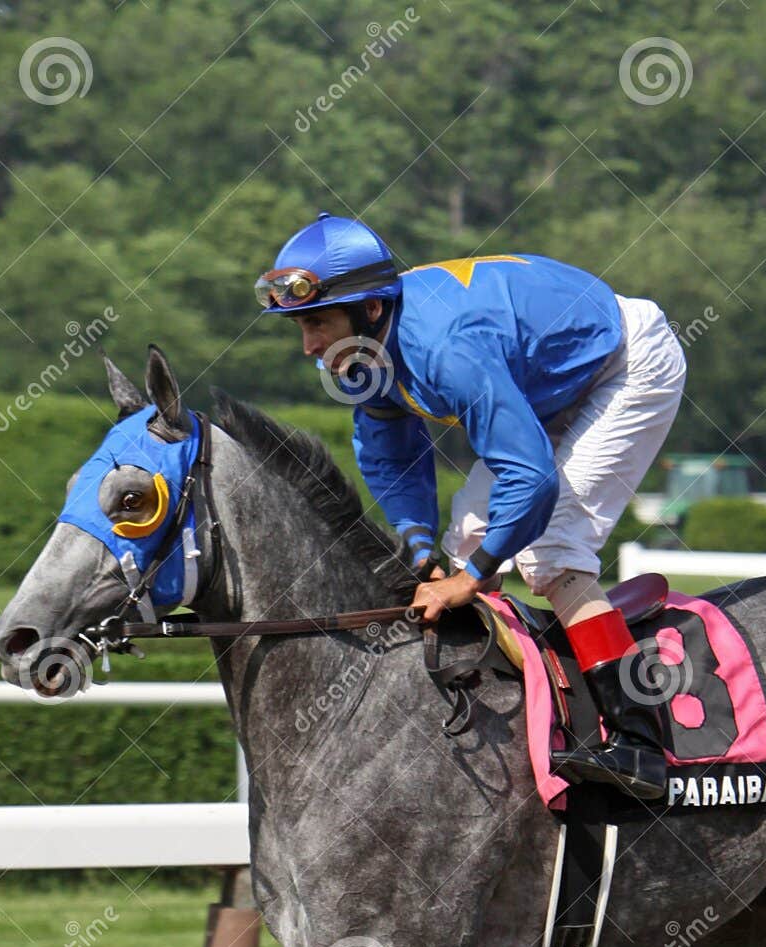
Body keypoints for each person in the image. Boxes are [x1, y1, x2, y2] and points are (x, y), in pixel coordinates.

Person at [255, 211, 687, 801]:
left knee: (551, 551)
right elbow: (392, 453)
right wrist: (421, 550)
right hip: (546, 381)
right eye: (300, 327)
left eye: (319, 323)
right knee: (462, 545)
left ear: (372, 309)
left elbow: (531, 479)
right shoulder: (364, 353)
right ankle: (517, 721)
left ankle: (639, 742)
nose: (309, 346)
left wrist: (472, 579)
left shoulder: (443, 350)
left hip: (625, 364)